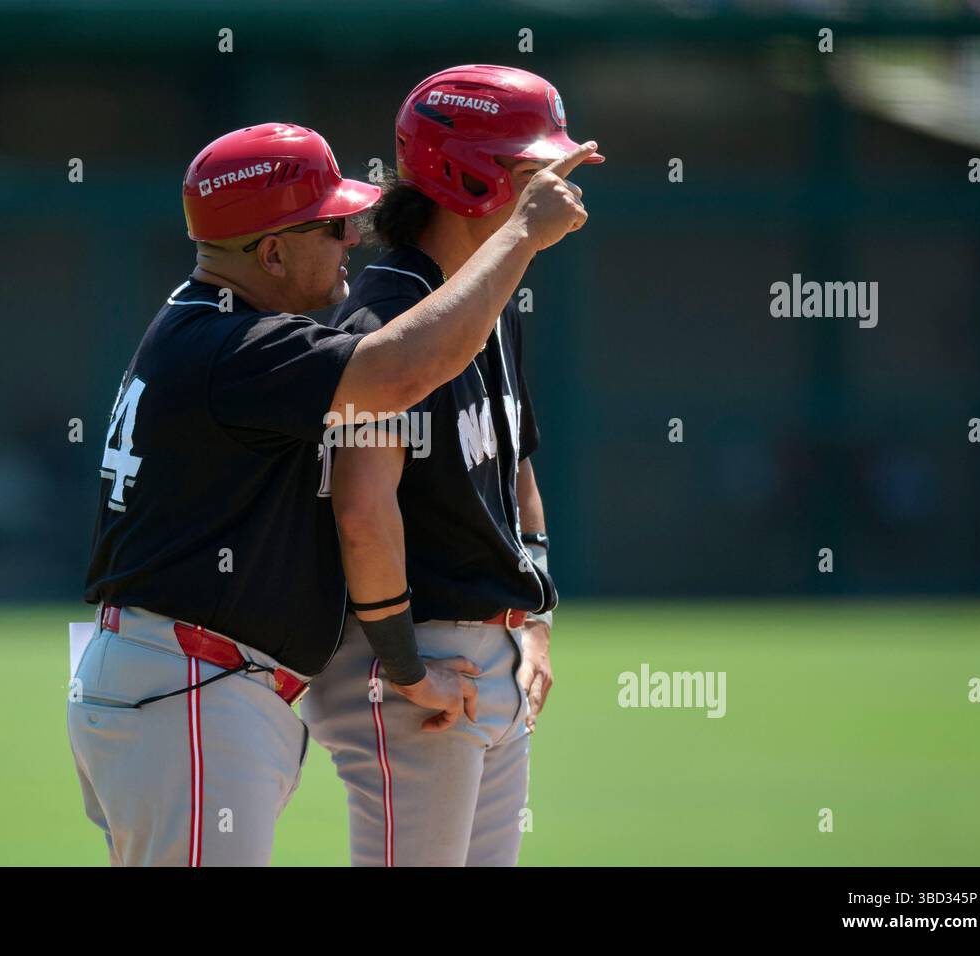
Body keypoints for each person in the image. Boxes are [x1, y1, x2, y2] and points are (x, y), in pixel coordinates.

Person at [67, 121, 593, 865]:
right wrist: (522, 236)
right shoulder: (232, 347)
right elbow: (401, 372)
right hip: (189, 682)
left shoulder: (215, 326)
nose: (352, 236)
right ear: (272, 252)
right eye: (331, 224)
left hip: (192, 681)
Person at [301, 66, 603, 866]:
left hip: (487, 661)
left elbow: (518, 479)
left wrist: (533, 620)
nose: (555, 183)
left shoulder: (484, 302)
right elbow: (362, 511)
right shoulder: (387, 317)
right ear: (465, 176)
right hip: (416, 665)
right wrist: (405, 668)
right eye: (532, 166)